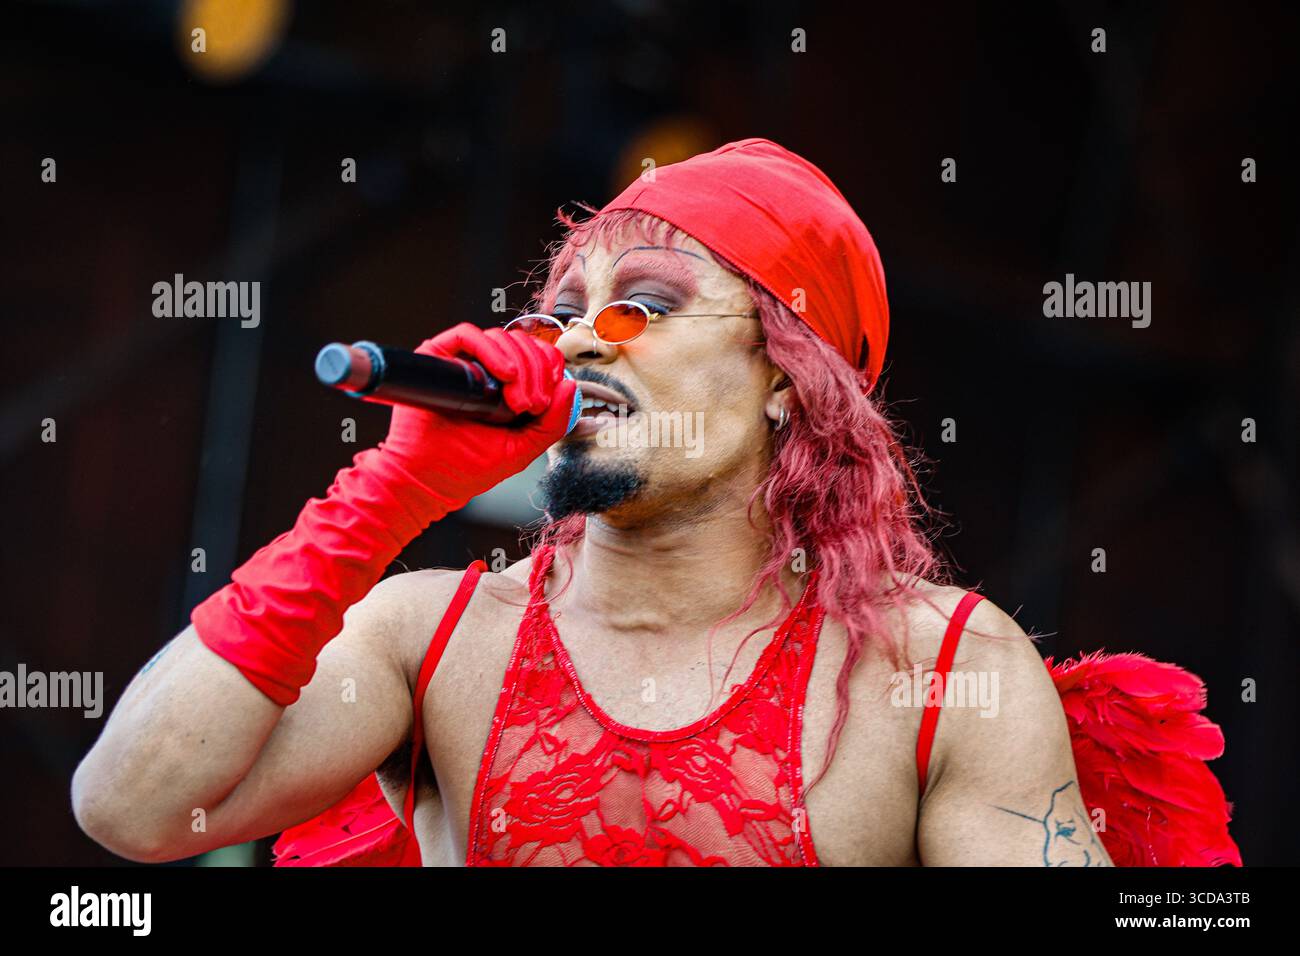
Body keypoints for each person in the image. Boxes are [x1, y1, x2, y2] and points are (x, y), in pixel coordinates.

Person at [72, 139, 1239, 867]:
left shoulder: (936, 673)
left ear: (790, 376)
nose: (578, 337)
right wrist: (385, 492)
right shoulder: (426, 640)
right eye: (561, 307)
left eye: (642, 305)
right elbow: (129, 808)